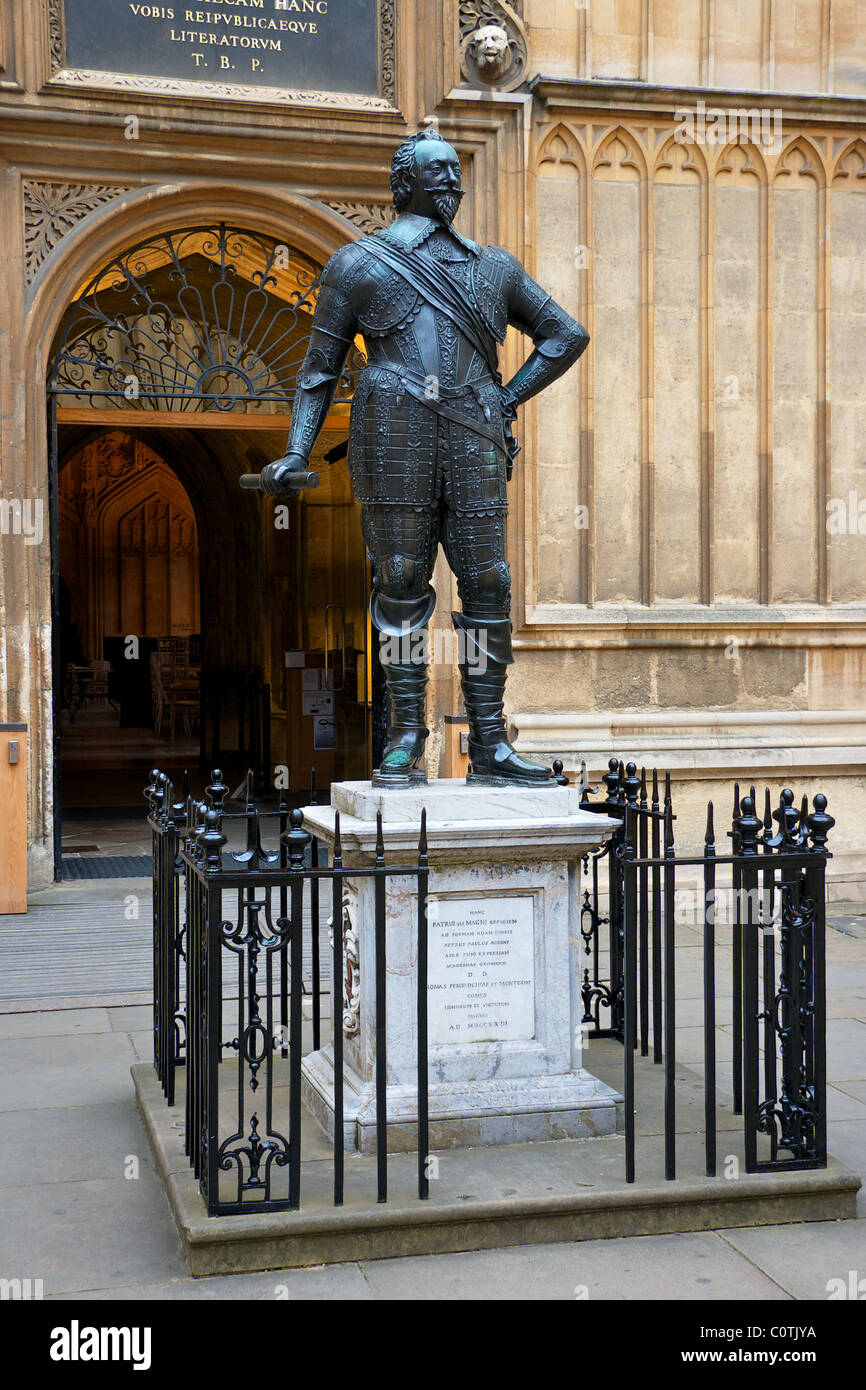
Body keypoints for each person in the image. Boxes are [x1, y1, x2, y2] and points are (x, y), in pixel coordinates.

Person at [260, 130, 588, 786]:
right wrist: (296, 449)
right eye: (436, 174)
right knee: (401, 578)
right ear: (403, 183)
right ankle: (406, 733)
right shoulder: (358, 265)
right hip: (393, 434)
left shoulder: (494, 266)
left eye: (456, 175)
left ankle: (490, 740)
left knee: (489, 578)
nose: (451, 185)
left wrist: (506, 398)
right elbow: (319, 371)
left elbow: (565, 333)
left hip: (473, 436)